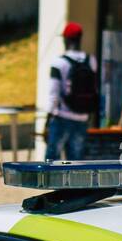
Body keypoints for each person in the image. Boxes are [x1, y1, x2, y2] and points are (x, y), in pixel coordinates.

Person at [45, 22, 98, 160]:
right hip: (82, 118)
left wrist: (47, 121)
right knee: (76, 165)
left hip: (62, 117)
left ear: (66, 40)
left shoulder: (59, 62)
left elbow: (53, 94)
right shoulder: (91, 60)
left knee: (52, 162)